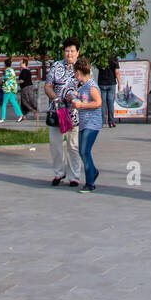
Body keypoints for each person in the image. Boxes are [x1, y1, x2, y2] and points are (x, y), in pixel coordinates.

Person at [44, 38, 82, 186]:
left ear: (78, 52)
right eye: (67, 51)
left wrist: (77, 98)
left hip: (75, 113)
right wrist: (56, 98)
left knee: (73, 145)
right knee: (56, 144)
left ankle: (74, 176)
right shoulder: (56, 66)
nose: (69, 54)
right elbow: (48, 86)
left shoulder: (82, 67)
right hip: (57, 111)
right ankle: (59, 172)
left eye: (72, 51)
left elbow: (88, 87)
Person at [74, 57, 103, 192]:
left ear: (79, 72)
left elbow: (98, 102)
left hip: (92, 123)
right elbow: (81, 98)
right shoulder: (83, 87)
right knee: (82, 151)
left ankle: (90, 183)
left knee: (85, 151)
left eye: (75, 73)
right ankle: (93, 171)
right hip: (84, 123)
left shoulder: (91, 86)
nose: (75, 76)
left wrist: (81, 105)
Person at [0, 58, 25, 123]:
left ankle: (2, 118)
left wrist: (0, 82)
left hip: (8, 88)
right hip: (13, 88)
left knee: (4, 103)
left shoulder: (7, 70)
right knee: (13, 102)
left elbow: (5, 78)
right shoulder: (12, 70)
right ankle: (20, 115)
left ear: (5, 64)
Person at [97, 57, 121, 128]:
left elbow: (97, 66)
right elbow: (117, 72)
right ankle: (111, 122)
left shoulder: (101, 57)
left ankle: (101, 122)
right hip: (111, 83)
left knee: (102, 104)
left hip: (102, 83)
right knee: (111, 103)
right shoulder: (114, 58)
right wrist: (119, 83)